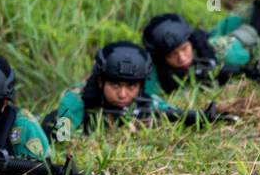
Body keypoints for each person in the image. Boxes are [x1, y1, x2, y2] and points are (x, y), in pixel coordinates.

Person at [42, 41, 180, 139]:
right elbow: (61, 136)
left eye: (131, 87)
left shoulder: (145, 101)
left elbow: (177, 115)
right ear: (101, 82)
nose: (122, 94)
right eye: (115, 86)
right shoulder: (75, 99)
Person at [141, 11, 260, 96]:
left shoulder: (218, 49)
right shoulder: (153, 71)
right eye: (172, 55)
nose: (182, 58)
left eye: (184, 48)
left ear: (191, 42)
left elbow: (250, 39)